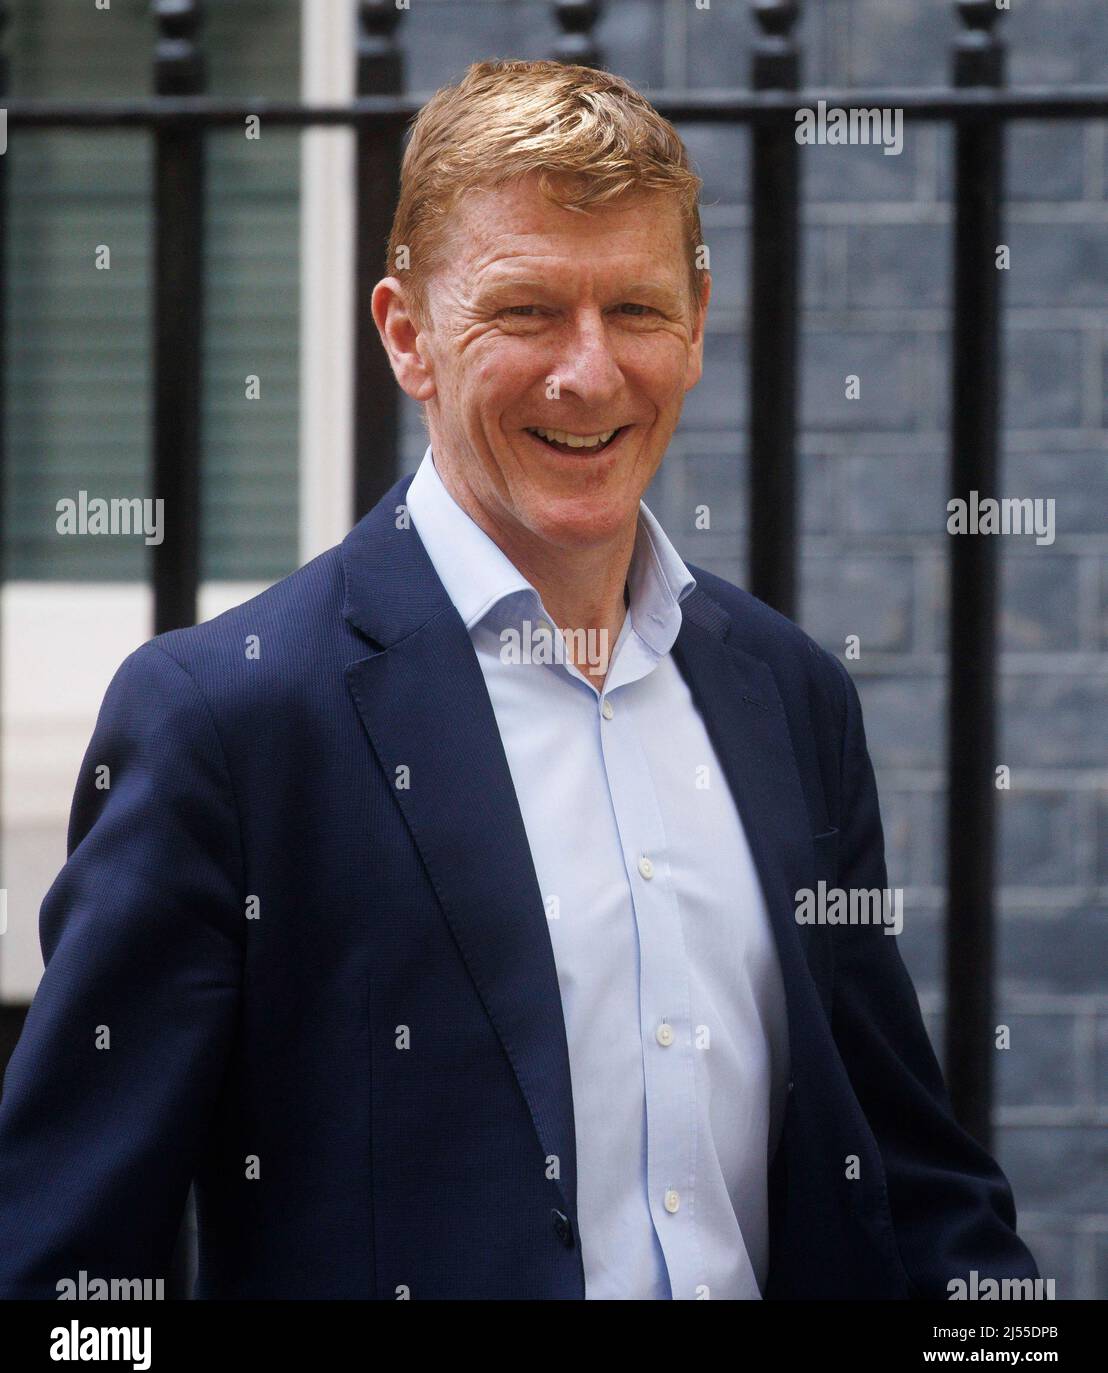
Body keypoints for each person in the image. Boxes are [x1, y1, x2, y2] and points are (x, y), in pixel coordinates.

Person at [0, 59, 1037, 1300]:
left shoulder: (789, 693)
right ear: (407, 335)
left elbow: (906, 1177)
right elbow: (64, 1275)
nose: (589, 374)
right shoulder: (228, 719)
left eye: (637, 312)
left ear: (698, 325)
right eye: (526, 312)